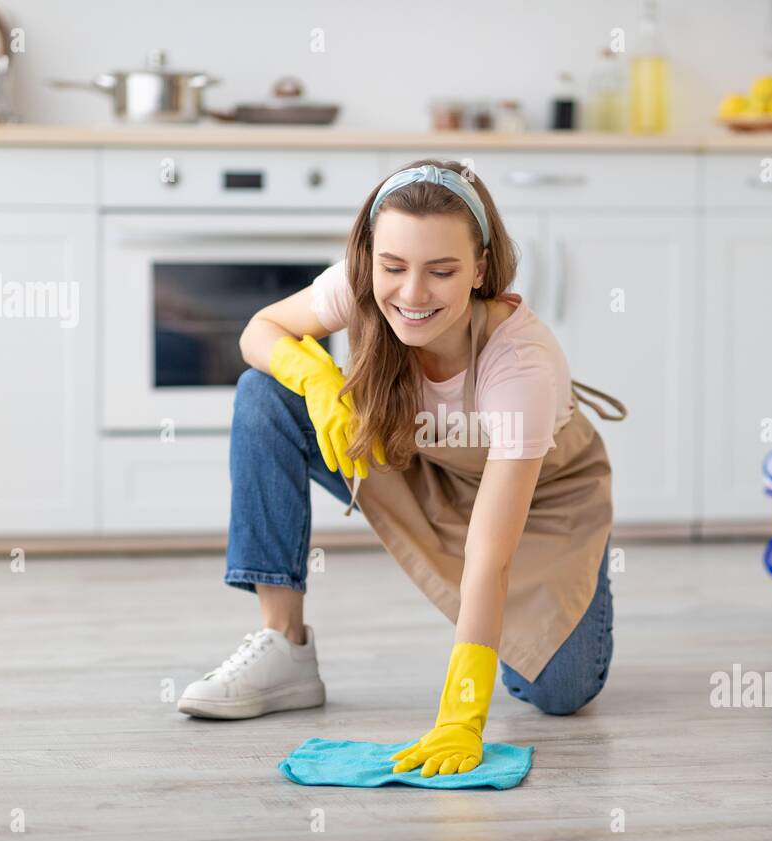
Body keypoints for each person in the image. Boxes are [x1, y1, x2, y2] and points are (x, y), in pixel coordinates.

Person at [179, 159, 626, 777]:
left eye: (442, 271)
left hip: (539, 505)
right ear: (369, 259)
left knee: (560, 694)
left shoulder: (522, 364)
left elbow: (490, 557)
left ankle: (557, 596)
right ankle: (285, 646)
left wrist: (462, 712)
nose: (412, 294)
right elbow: (262, 330)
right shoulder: (360, 285)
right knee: (265, 393)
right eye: (393, 268)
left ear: (480, 269)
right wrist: (313, 377)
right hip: (417, 462)